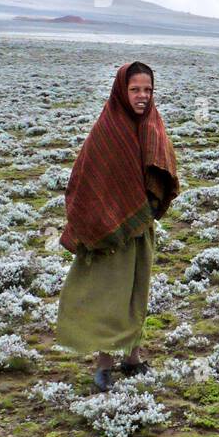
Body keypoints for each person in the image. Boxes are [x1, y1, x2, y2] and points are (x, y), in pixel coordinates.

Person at [56, 62, 179, 391]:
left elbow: (164, 167)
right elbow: (85, 178)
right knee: (109, 293)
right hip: (112, 230)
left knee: (139, 292)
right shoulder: (109, 128)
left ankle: (133, 358)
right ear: (121, 91)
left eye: (148, 90)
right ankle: (104, 363)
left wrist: (151, 202)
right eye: (135, 90)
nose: (142, 96)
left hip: (141, 226)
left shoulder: (153, 123)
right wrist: (102, 216)